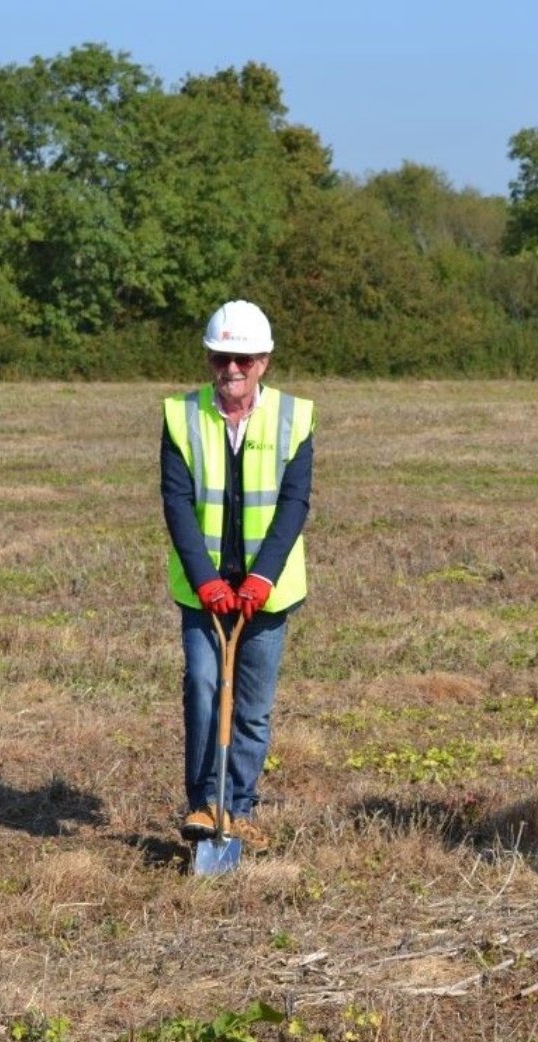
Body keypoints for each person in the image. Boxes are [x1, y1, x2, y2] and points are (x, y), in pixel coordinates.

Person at [161, 300, 316, 853]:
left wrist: (263, 578)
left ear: (264, 362)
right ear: (209, 359)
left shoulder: (294, 417)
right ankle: (205, 804)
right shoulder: (182, 415)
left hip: (266, 594)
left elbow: (295, 503)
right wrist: (205, 579)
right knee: (204, 689)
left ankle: (240, 808)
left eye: (243, 359)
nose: (232, 369)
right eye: (221, 358)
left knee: (251, 706)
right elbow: (176, 502)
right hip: (203, 589)